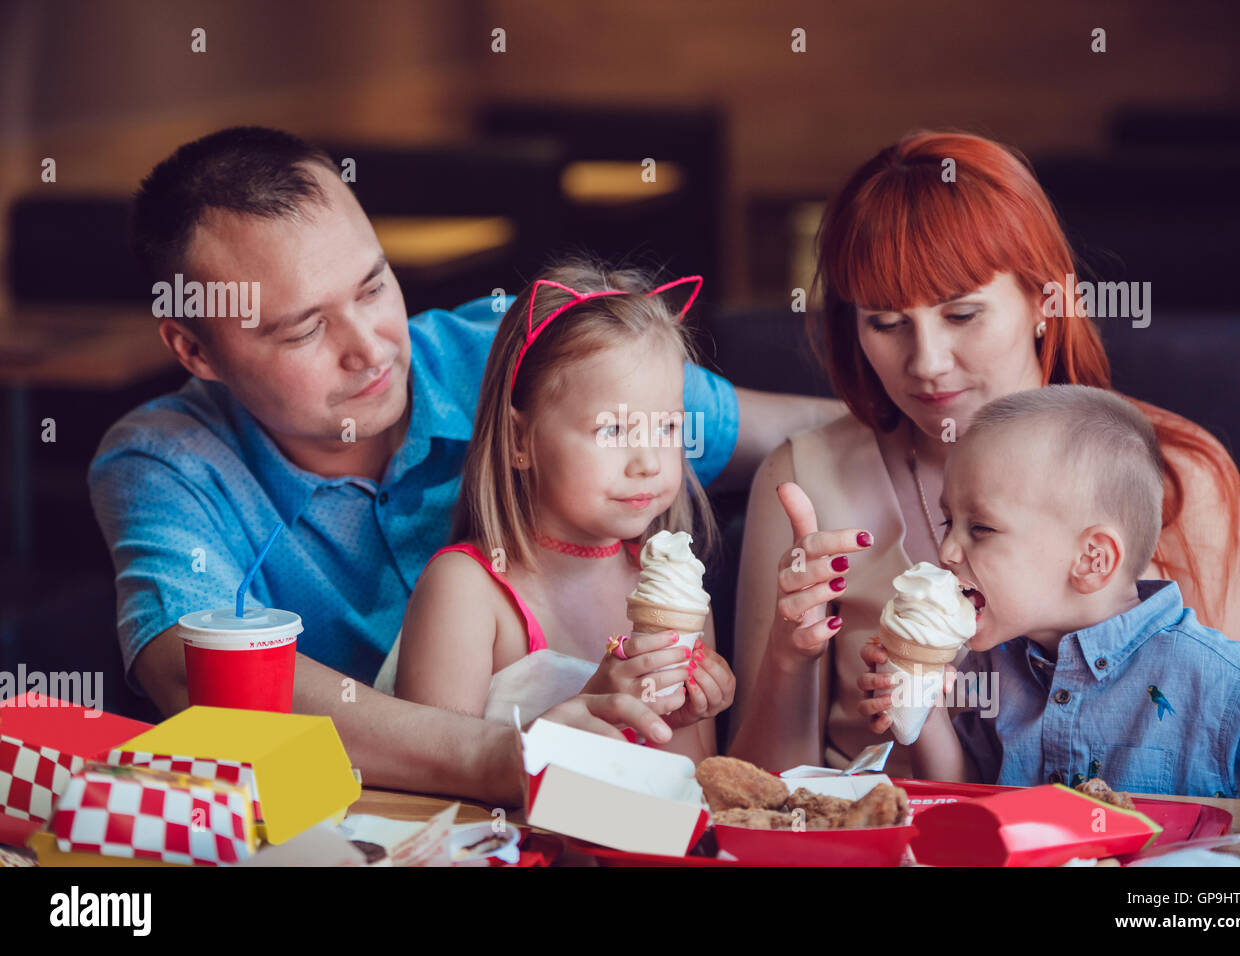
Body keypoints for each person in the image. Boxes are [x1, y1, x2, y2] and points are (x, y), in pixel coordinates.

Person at [88, 126, 840, 803]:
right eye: (305, 328)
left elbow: (816, 429)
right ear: (194, 348)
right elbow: (194, 672)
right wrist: (514, 755)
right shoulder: (166, 460)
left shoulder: (515, 352)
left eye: (374, 285)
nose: (372, 346)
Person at [729, 130, 1240, 777]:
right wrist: (791, 655)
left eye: (962, 315)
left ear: (1044, 301)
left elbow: (1225, 760)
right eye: (885, 322)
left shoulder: (1178, 475)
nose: (925, 363)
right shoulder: (803, 480)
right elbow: (759, 794)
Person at [858, 385, 1240, 801]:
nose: (948, 549)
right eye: (946, 523)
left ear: (1092, 559)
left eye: (980, 528)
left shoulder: (1217, 678)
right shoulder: (991, 668)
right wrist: (928, 713)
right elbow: (964, 796)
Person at [380, 260, 735, 761]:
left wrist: (679, 720)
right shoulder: (467, 591)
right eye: (612, 430)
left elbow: (685, 792)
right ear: (520, 438)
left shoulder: (680, 596)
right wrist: (586, 713)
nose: (648, 463)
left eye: (668, 428)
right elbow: (435, 788)